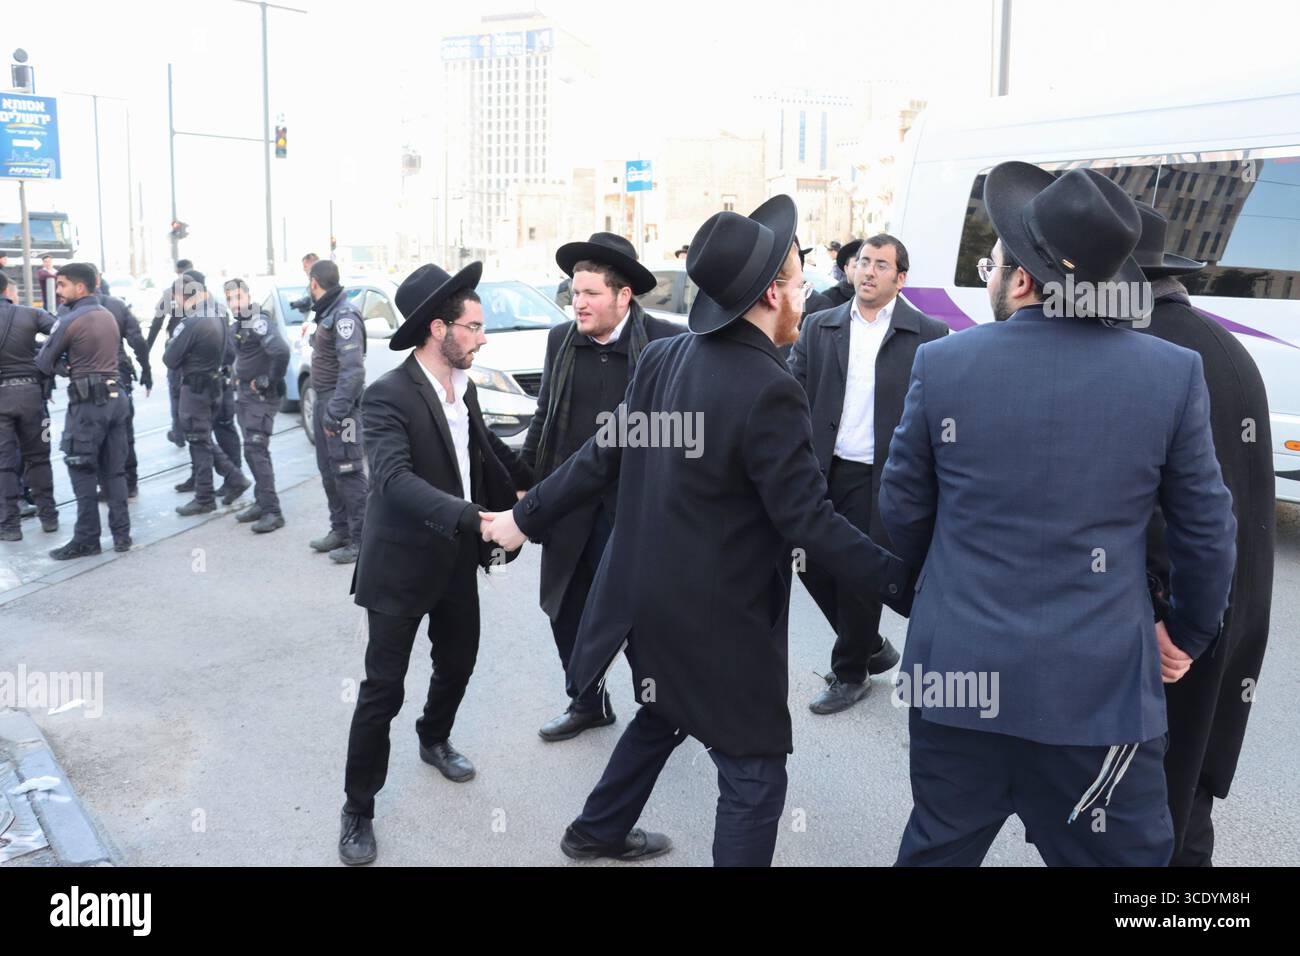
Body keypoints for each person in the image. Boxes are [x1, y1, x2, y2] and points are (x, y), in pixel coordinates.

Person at [482, 196, 913, 866]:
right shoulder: (770, 388)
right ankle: (599, 829)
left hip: (651, 608)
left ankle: (596, 830)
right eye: (798, 283)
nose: (804, 295)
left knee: (665, 711)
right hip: (720, 624)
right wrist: (906, 585)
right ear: (772, 294)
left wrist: (521, 517)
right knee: (755, 772)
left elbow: (600, 455)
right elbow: (808, 521)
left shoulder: (664, 357)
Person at [879, 163, 1237, 866]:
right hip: (1098, 693)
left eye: (992, 264)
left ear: (1021, 281)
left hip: (958, 677)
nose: (990, 277)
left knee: (937, 849)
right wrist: (1188, 633)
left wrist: (939, 592)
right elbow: (1207, 532)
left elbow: (902, 505)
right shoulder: (1169, 373)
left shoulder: (942, 364)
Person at [339, 262, 532, 866]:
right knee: (382, 690)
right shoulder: (387, 395)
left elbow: (483, 448)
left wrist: (539, 484)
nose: (482, 338)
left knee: (458, 660)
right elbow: (393, 480)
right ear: (438, 329)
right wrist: (476, 517)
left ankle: (434, 737)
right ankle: (358, 808)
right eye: (474, 327)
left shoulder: (463, 387)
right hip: (399, 568)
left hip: (454, 561)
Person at [1129, 202, 1275, 866]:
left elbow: (1171, 513)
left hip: (1173, 625)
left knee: (1149, 809)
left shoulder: (1147, 351)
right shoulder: (1222, 342)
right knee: (1187, 800)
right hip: (1229, 612)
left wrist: (1171, 625)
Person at [523, 232, 682, 742]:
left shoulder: (663, 343)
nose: (579, 303)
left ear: (623, 296)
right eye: (575, 293)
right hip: (570, 503)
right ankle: (587, 703)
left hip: (636, 509)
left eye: (591, 293)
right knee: (566, 608)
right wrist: (525, 488)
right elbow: (544, 416)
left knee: (641, 620)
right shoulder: (560, 341)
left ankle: (663, 710)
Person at [790, 234, 948, 715]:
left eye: (881, 264)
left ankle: (851, 672)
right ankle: (871, 645)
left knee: (860, 573)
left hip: (881, 476)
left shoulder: (929, 334)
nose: (869, 271)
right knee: (806, 560)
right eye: (863, 262)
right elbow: (792, 392)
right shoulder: (820, 325)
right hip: (822, 469)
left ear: (901, 278)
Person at [35, 263, 131, 558]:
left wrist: (65, 367)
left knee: (81, 466)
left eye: (62, 285)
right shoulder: (107, 314)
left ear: (80, 287)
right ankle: (122, 535)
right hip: (116, 399)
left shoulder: (71, 319)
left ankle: (87, 539)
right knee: (114, 470)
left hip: (89, 404)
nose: (58, 291)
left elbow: (43, 361)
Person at [162, 271, 251, 517]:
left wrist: (176, 347)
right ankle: (223, 483)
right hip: (214, 386)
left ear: (183, 297)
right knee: (203, 439)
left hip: (195, 389)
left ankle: (212, 492)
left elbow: (169, 359)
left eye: (176, 299)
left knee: (198, 440)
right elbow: (229, 354)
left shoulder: (192, 321)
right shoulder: (218, 314)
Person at [306, 259, 368, 563]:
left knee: (348, 471)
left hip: (340, 406)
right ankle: (340, 530)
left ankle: (361, 539)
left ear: (314, 282)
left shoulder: (344, 315)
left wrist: (336, 412)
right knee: (329, 470)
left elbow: (353, 371)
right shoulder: (328, 312)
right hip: (325, 402)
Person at [225, 278, 290, 534]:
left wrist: (269, 380)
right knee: (251, 451)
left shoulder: (257, 320)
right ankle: (262, 502)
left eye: (238, 297)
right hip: (244, 395)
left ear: (248, 297)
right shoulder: (239, 324)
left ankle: (273, 512)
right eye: (230, 299)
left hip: (260, 397)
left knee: (256, 449)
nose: (234, 303)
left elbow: (281, 351)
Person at [0, 272, 58, 540]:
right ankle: (49, 517)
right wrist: (42, 360)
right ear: (7, 290)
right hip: (33, 397)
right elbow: (62, 332)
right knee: (39, 457)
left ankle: (10, 526)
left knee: (3, 464)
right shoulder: (32, 315)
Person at [93, 274, 153, 499]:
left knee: (96, 432)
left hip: (89, 377)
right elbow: (137, 340)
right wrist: (146, 370)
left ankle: (106, 484)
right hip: (119, 374)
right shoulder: (117, 305)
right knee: (124, 429)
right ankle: (129, 482)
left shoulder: (71, 308)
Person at [147, 260, 193, 452]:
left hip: (175, 350)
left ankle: (179, 432)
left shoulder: (169, 295)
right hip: (195, 352)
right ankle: (190, 430)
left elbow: (156, 323)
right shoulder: (201, 295)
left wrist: (145, 351)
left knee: (176, 392)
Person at [819, 240, 861, 308]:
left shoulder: (875, 296)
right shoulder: (828, 298)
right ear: (846, 269)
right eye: (856, 266)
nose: (861, 271)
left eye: (865, 265)